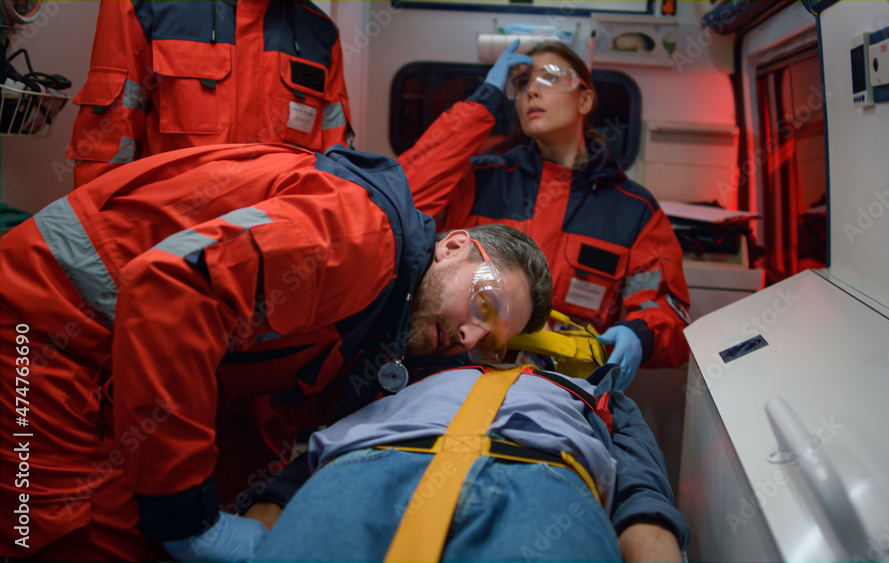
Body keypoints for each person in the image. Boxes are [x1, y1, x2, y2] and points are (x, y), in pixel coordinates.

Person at [0, 142, 552, 561]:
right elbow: (173, 288)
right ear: (453, 245)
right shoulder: (360, 241)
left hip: (107, 364)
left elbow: (261, 372)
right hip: (37, 334)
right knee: (69, 541)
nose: (471, 339)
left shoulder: (389, 307)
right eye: (484, 308)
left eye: (491, 340)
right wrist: (185, 516)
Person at [399, 41, 693, 389]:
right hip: (454, 376)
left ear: (584, 100)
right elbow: (398, 203)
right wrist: (483, 103)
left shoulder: (632, 210)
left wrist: (640, 333)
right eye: (521, 84)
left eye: (550, 78)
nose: (532, 91)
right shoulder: (480, 179)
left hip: (561, 392)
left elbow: (669, 313)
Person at [241, 363, 690, 561]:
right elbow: (310, 458)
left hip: (540, 486)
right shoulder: (400, 374)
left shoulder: (595, 392)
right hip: (360, 471)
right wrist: (261, 519)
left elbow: (641, 492)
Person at [66, 0, 353, 188]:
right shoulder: (141, 6)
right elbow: (107, 146)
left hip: (276, 256)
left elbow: (336, 168)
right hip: (167, 255)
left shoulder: (321, 33)